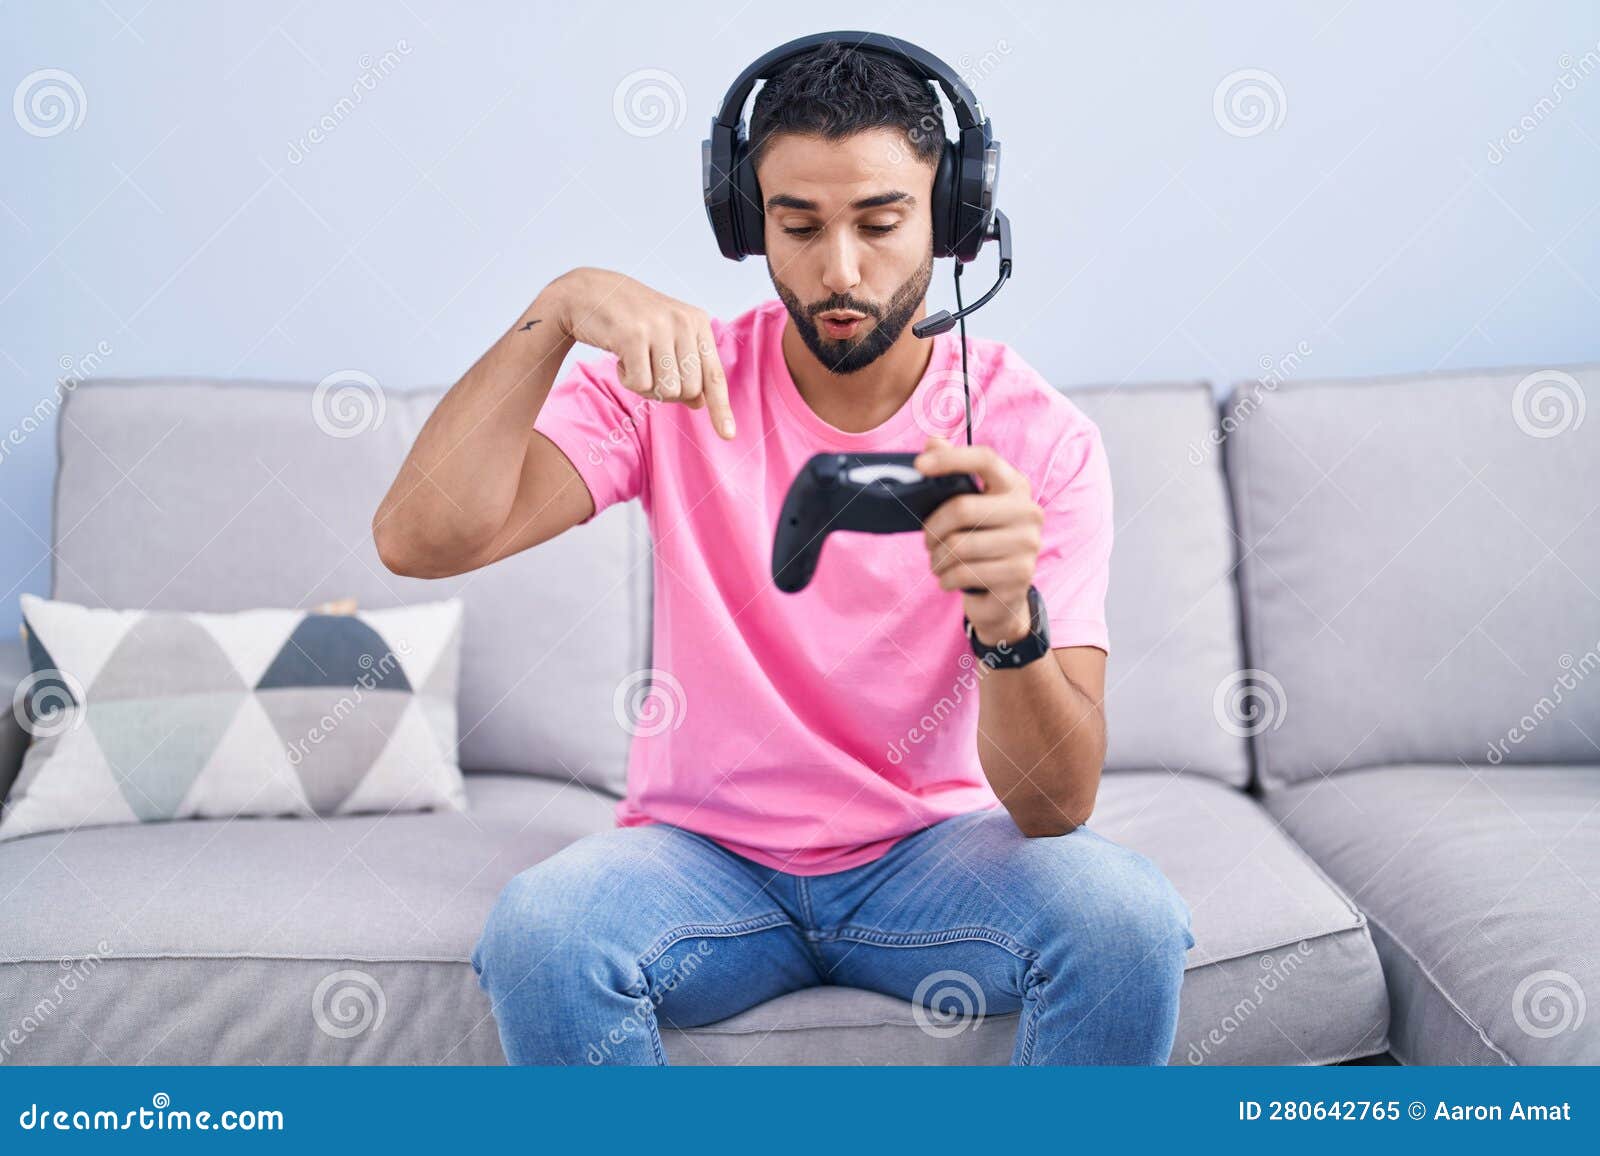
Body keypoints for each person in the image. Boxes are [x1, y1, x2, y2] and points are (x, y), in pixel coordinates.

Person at [373, 38, 1193, 1065]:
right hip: (701, 861)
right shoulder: (676, 385)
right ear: (745, 221)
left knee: (1126, 921)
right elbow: (416, 540)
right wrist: (559, 310)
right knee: (543, 933)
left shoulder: (1041, 438)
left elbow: (1054, 804)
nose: (838, 270)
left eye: (881, 223)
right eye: (798, 226)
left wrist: (1007, 620)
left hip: (935, 856)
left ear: (952, 218)